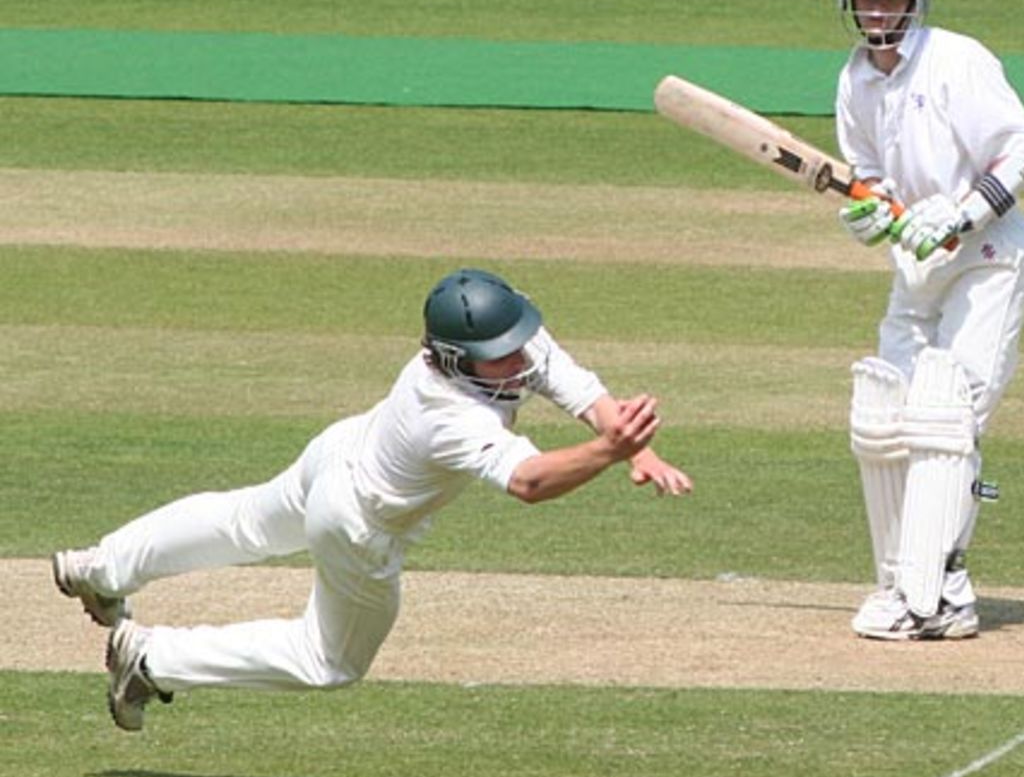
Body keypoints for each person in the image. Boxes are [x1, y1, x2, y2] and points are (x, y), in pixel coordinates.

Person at [53, 267, 693, 730]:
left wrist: (637, 448)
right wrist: (610, 453)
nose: (518, 359)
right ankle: (153, 656)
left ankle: (97, 566)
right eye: (499, 357)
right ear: (451, 357)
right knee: (327, 660)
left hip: (341, 450)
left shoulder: (504, 334)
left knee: (246, 521)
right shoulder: (448, 412)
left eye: (519, 342)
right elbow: (529, 483)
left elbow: (575, 385)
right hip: (357, 521)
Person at [832, 0, 1024, 640]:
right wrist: (874, 214)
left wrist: (961, 213)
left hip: (988, 254)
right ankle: (903, 581)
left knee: (948, 417)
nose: (878, 10)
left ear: (915, 1)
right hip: (917, 266)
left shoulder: (957, 61)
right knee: (888, 417)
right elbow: (869, 175)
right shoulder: (854, 79)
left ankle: (946, 593)